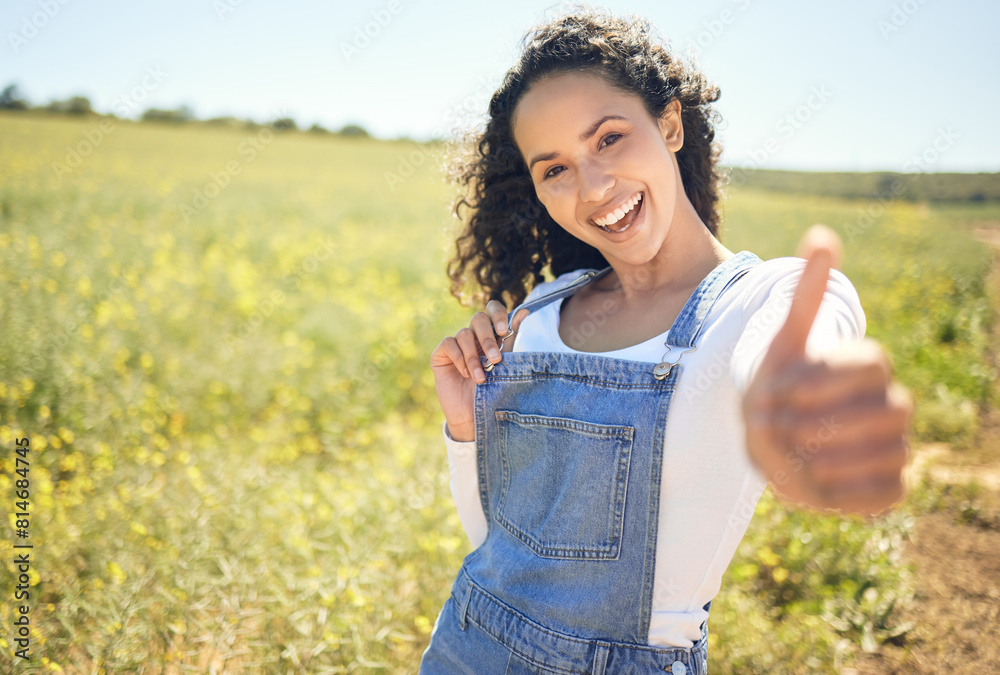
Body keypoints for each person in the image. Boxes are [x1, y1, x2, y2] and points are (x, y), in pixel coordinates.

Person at [421, 8, 912, 674]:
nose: (593, 188)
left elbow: (793, 347)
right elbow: (495, 549)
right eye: (555, 169)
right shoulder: (539, 313)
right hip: (463, 644)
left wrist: (806, 415)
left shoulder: (760, 300)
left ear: (670, 124)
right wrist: (464, 427)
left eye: (610, 138)